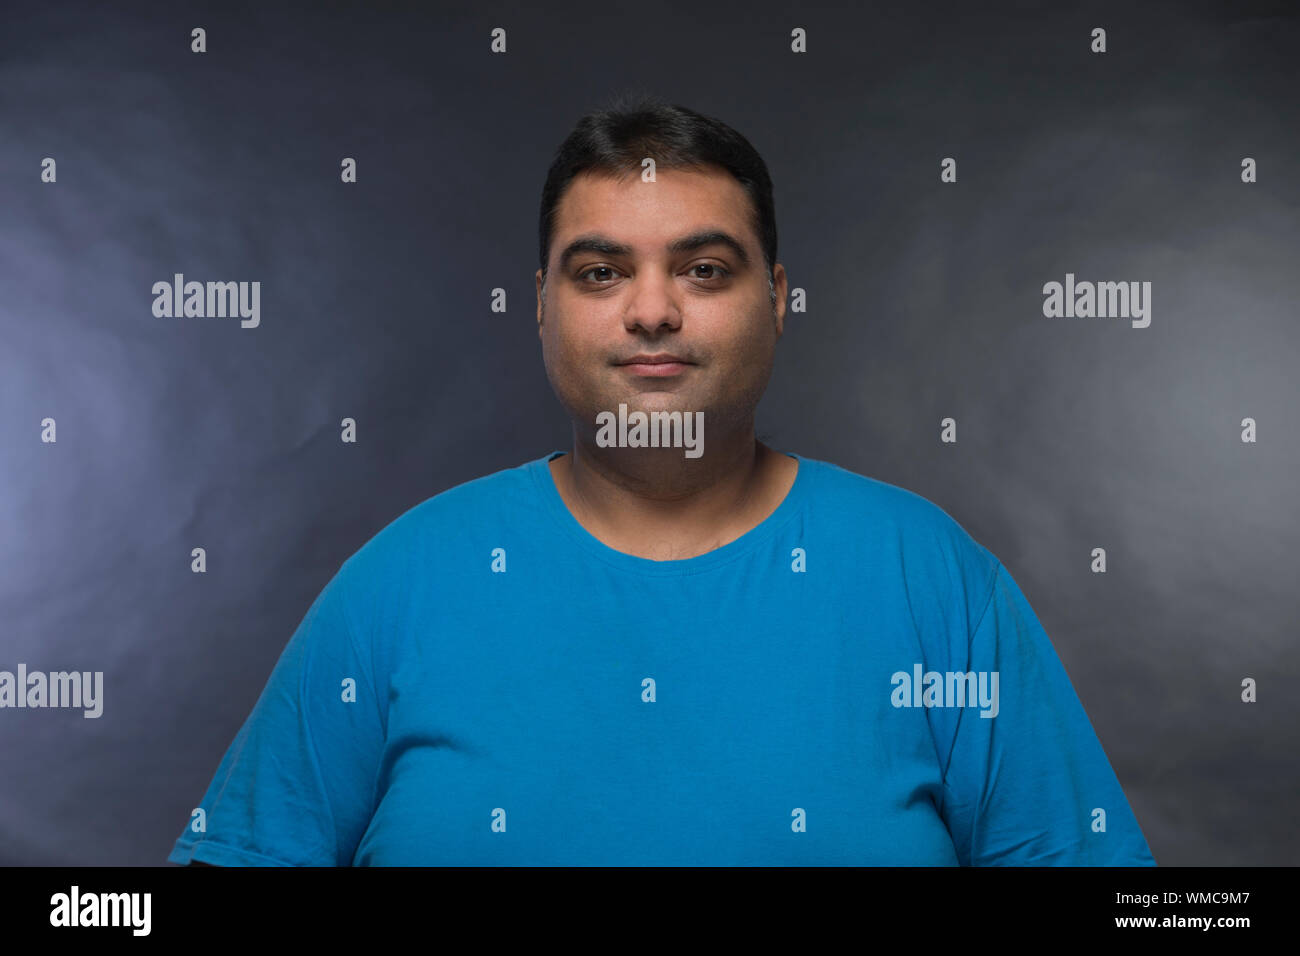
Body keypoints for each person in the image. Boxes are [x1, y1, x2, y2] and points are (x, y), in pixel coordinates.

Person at [169, 94, 1156, 866]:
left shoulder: (933, 581)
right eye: (599, 271)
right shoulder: (399, 584)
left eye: (704, 269)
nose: (651, 310)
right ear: (542, 308)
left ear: (776, 299)